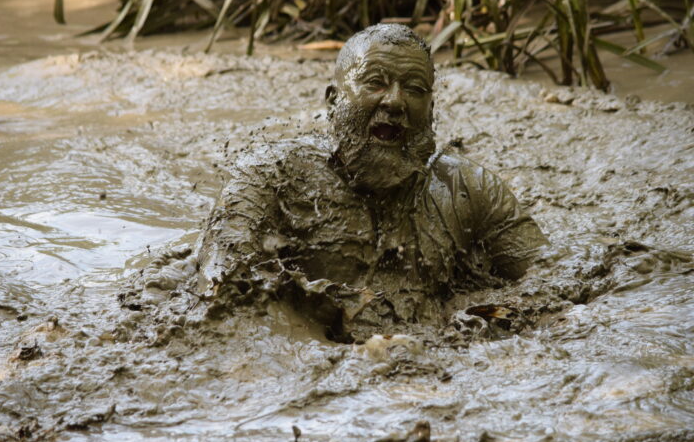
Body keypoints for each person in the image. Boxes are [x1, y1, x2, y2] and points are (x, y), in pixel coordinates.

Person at [195, 24, 547, 341]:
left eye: (414, 88)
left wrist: (487, 317)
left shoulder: (468, 188)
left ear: (431, 107)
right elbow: (223, 286)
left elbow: (551, 279)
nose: (394, 101)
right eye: (375, 82)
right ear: (333, 102)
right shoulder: (270, 175)